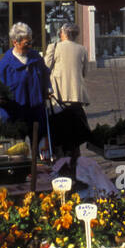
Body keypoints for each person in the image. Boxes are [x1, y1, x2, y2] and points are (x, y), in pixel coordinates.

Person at [0, 22, 51, 133]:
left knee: (40, 146)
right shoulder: (6, 64)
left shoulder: (36, 57)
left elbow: (45, 73)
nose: (30, 46)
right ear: (15, 42)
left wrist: (48, 88)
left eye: (31, 42)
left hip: (37, 114)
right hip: (15, 116)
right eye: (26, 43)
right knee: (18, 148)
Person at [45, 23, 90, 171]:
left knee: (59, 132)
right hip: (76, 95)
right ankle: (76, 165)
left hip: (58, 96)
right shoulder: (82, 49)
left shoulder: (54, 47)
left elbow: (46, 67)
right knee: (75, 133)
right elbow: (85, 72)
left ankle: (61, 165)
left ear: (63, 34)